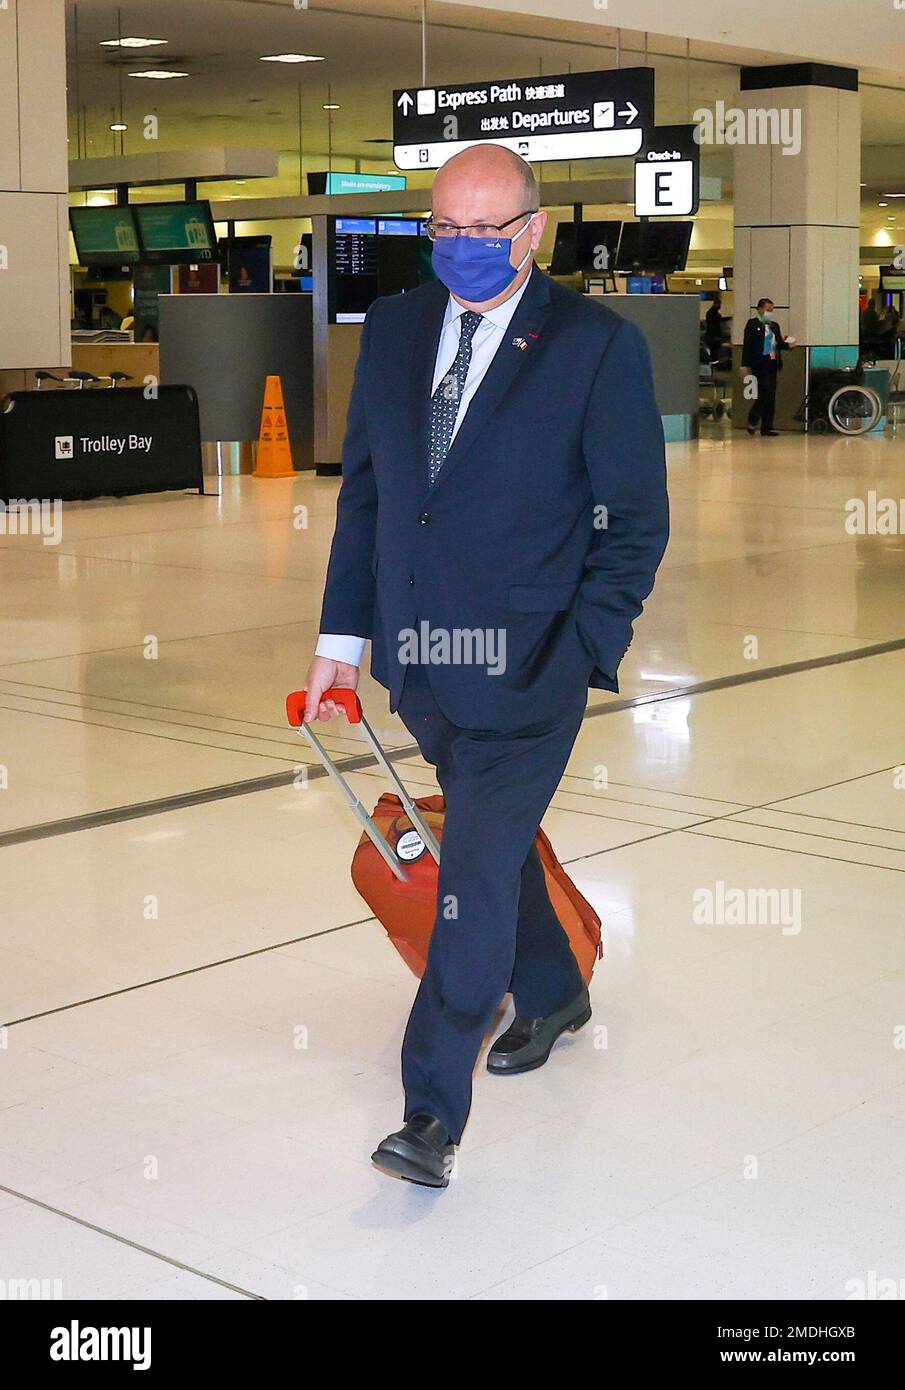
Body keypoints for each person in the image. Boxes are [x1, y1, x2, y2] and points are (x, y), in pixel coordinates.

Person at [303, 143, 669, 1187]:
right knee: (495, 850)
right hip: (420, 663)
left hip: (528, 671)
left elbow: (632, 522)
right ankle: (552, 986)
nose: (461, 249)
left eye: (484, 231)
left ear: (533, 229)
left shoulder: (593, 346)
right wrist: (343, 644)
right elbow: (371, 497)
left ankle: (430, 1113)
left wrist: (580, 651)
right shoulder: (397, 326)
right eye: (444, 230)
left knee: (466, 874)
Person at [741, 297, 795, 436]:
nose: (770, 313)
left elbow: (779, 343)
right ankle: (752, 418)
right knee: (764, 392)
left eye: (772, 310)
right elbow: (748, 345)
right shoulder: (752, 325)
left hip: (772, 363)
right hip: (759, 363)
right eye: (767, 310)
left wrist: (788, 345)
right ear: (759, 309)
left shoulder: (774, 326)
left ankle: (767, 426)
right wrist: (744, 365)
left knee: (771, 395)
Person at [704, 293, 723, 363]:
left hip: (710, 336)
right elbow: (716, 326)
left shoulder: (709, 313)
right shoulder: (715, 314)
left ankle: (713, 364)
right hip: (714, 337)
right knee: (715, 353)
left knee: (712, 353)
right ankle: (714, 364)